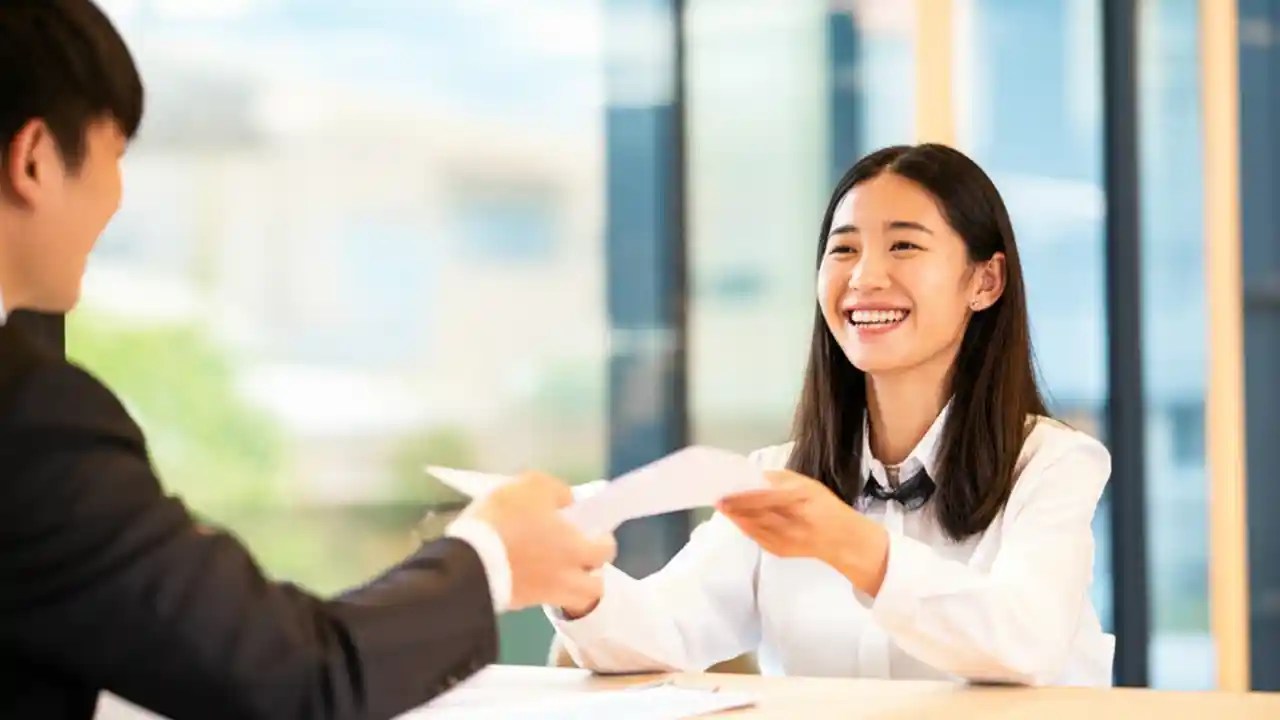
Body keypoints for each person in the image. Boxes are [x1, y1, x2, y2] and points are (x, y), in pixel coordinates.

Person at [0, 2, 615, 718]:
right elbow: (290, 677)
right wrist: (492, 559)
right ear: (36, 158)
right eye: (116, 155)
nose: (117, 197)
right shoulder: (30, 417)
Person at [548, 144, 1115, 687]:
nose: (864, 278)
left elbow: (1026, 642)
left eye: (904, 247)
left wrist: (849, 543)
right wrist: (574, 580)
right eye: (843, 250)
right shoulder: (782, 477)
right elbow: (662, 634)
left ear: (985, 281)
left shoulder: (1054, 464)